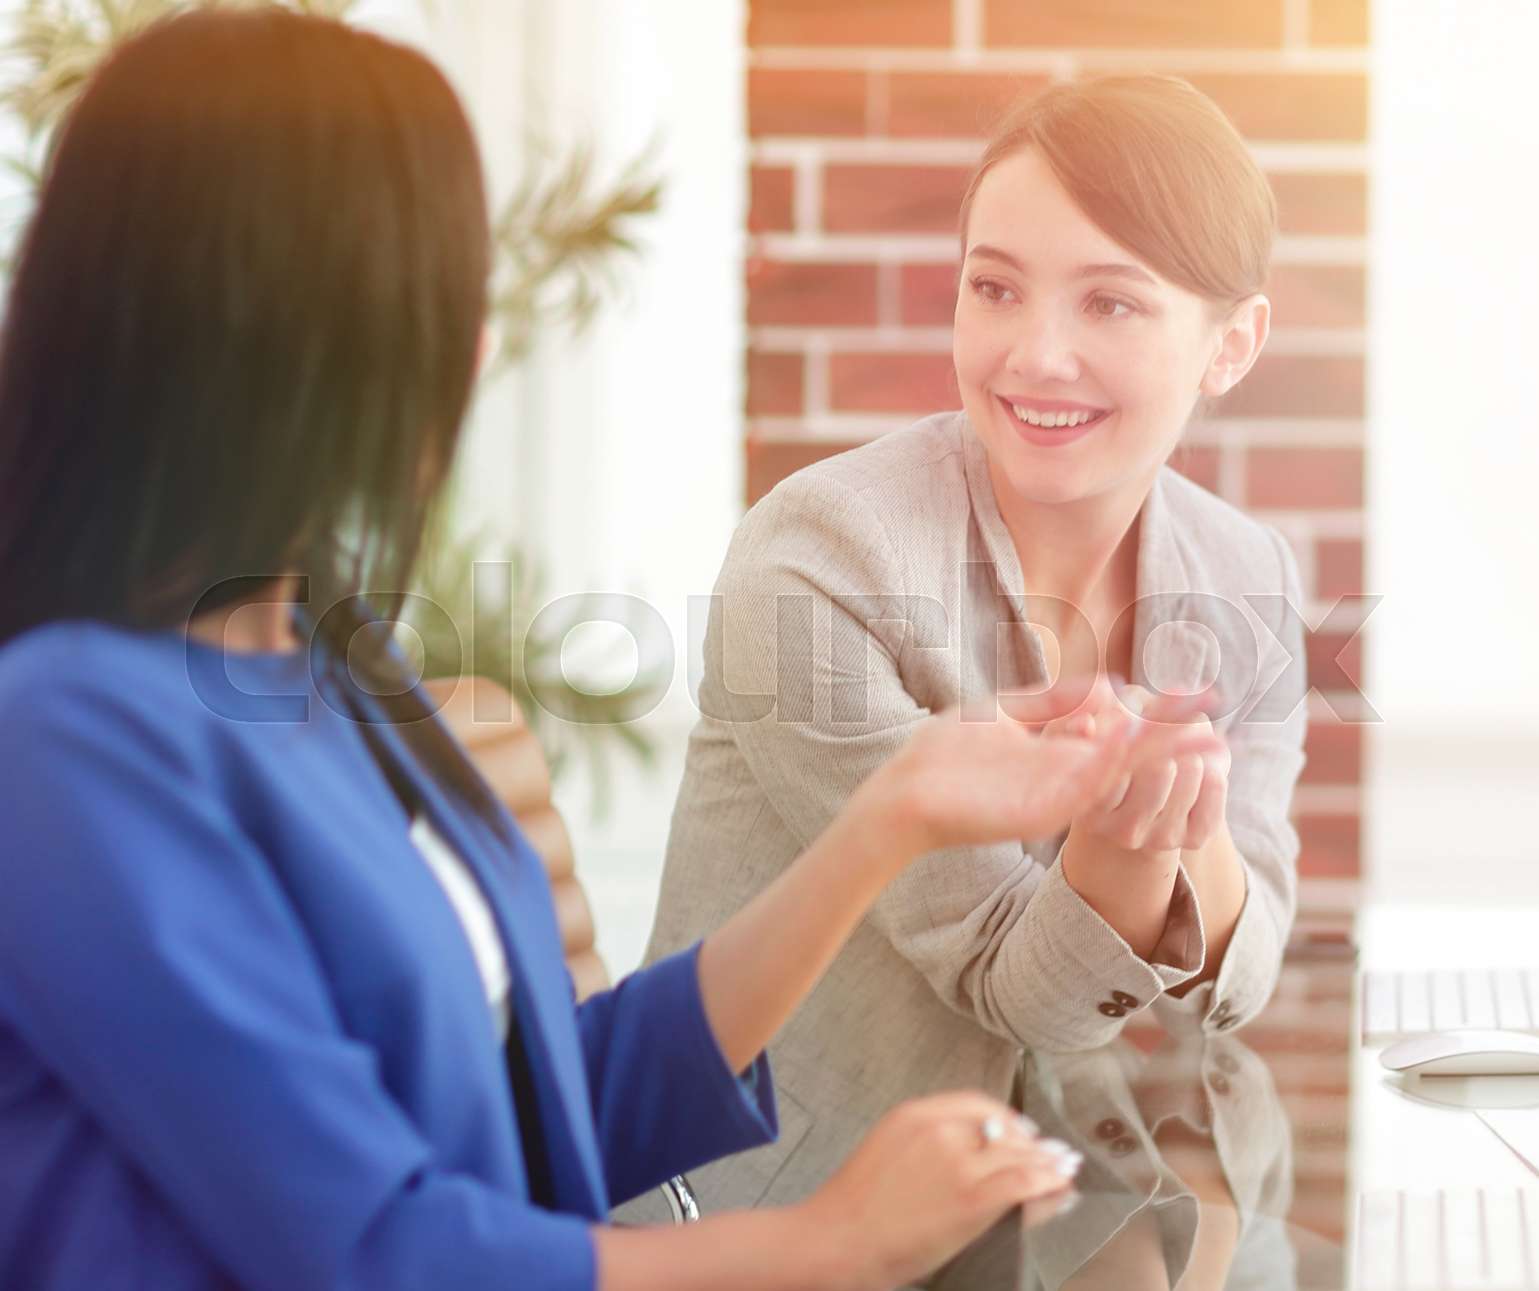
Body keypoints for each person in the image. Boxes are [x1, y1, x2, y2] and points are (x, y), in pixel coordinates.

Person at [0, 14, 1222, 1291]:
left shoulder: (334, 665)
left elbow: (555, 1107)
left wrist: (891, 817)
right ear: (276, 331)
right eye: (437, 293)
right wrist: (827, 1246)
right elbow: (369, 1251)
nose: (472, 348)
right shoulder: (68, 738)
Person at [637, 76, 1310, 1215]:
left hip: (1046, 1216)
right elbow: (1011, 982)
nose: (1035, 356)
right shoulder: (821, 556)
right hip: (754, 1226)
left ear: (1230, 344)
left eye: (1110, 304)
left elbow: (1241, 974)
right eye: (994, 287)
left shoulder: (1243, 574)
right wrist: (1139, 846)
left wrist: (1175, 824)